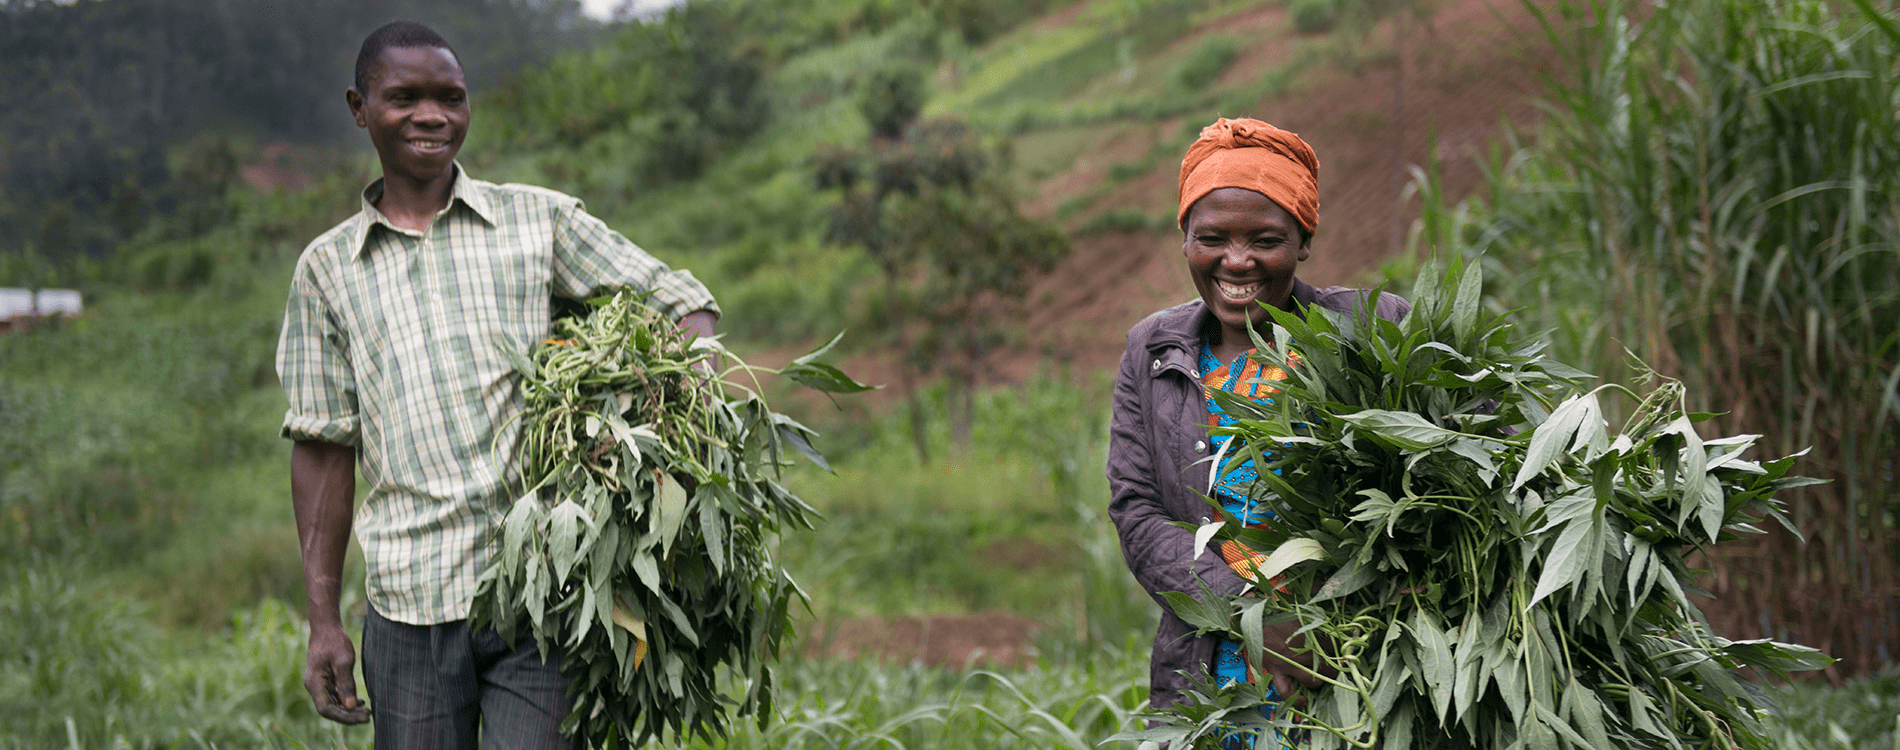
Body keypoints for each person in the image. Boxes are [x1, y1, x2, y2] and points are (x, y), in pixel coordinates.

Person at [275, 20, 719, 749]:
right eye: (404, 97)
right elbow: (323, 447)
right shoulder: (327, 271)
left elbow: (678, 300)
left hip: (540, 597)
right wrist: (324, 622)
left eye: (450, 97)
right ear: (360, 108)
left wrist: (682, 402)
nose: (431, 115)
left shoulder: (536, 221)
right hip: (408, 607)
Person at [1106, 117, 1409, 746]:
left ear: (1303, 241)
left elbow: (1447, 473)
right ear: (1185, 239)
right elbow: (1139, 513)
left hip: (1356, 667)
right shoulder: (1153, 350)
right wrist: (1253, 619)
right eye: (1211, 237)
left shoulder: (1374, 330)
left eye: (1265, 239)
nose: (1236, 261)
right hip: (1210, 678)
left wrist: (1335, 617)